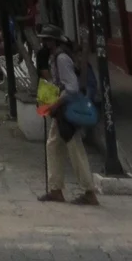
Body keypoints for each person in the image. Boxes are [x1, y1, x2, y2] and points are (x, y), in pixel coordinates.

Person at [38, 28, 99, 206]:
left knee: (75, 148)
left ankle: (88, 191)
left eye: (48, 40)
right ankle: (56, 189)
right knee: (54, 145)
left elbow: (71, 87)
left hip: (66, 109)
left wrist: (55, 104)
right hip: (63, 110)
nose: (45, 44)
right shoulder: (59, 56)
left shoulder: (61, 58)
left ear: (54, 41)